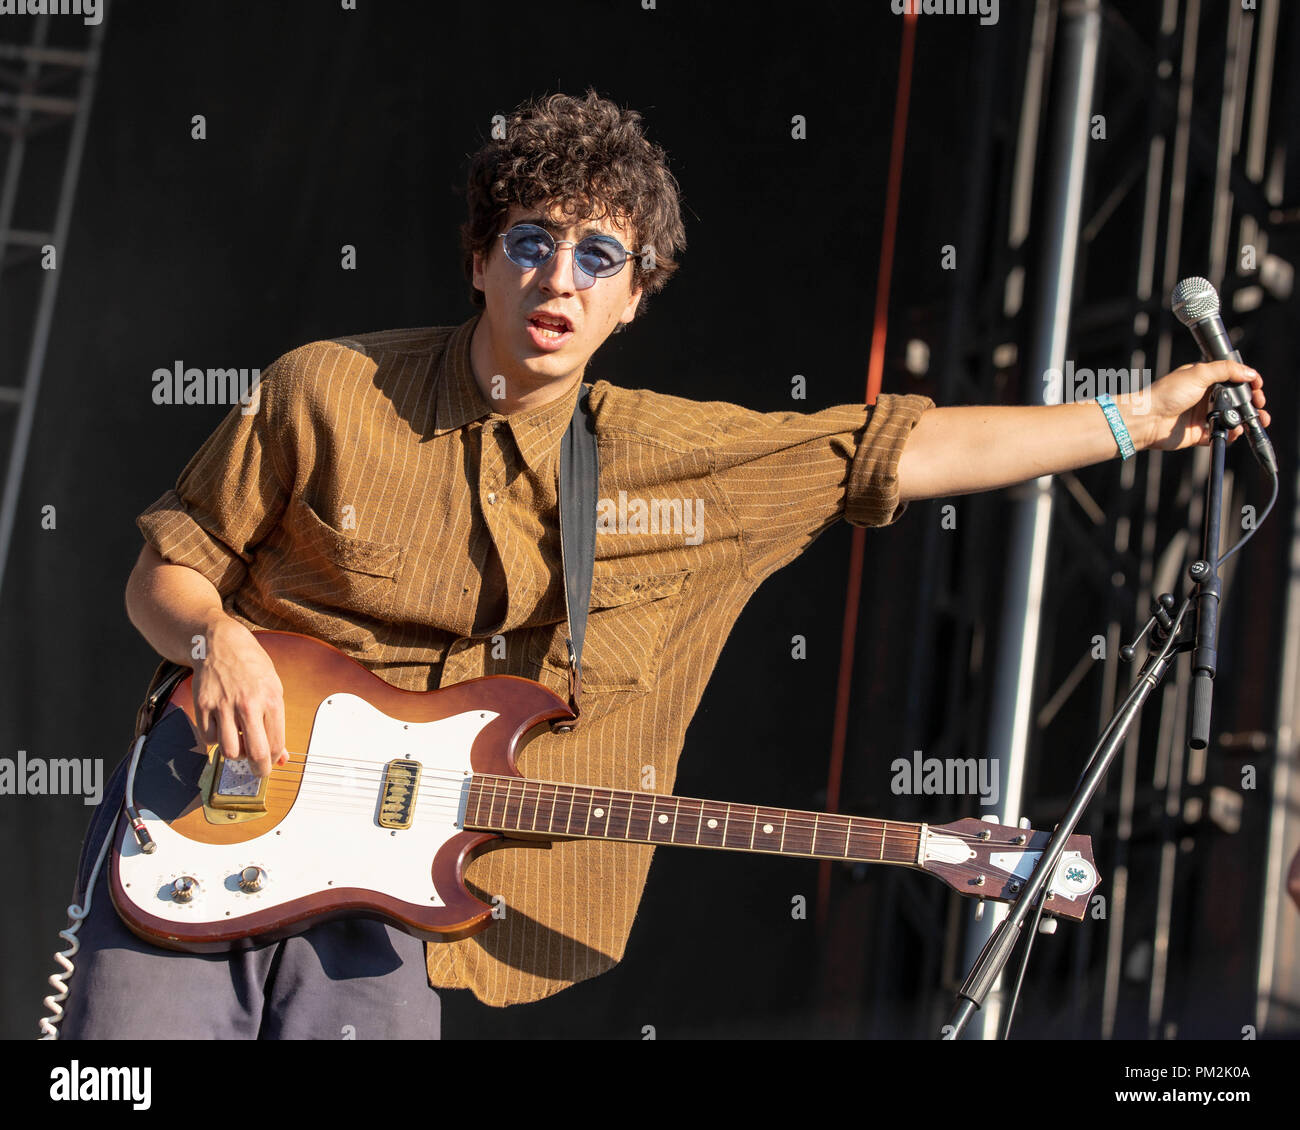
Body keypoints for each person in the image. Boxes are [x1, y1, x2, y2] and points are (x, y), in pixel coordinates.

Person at [49, 89, 1268, 1040]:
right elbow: (165, 574)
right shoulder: (326, 385)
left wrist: (1139, 419)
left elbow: (887, 447)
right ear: (479, 256)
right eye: (531, 240)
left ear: (635, 297)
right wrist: (221, 639)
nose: (557, 278)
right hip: (203, 811)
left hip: (383, 902)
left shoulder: (653, 458)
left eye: (597, 257)